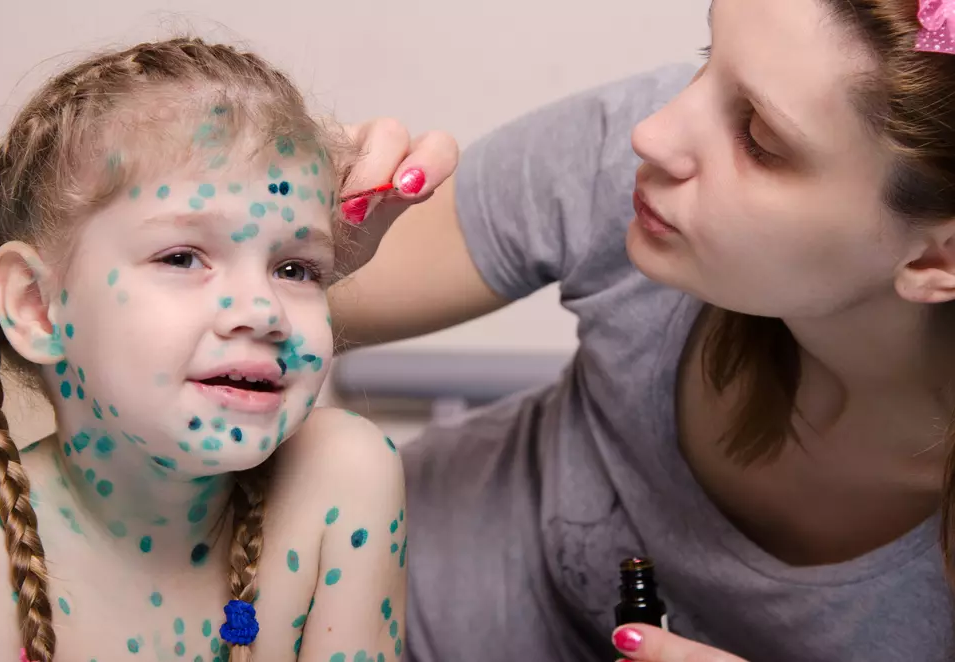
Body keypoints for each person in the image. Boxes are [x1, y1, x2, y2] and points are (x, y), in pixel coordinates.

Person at [331, 0, 955, 660]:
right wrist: (283, 223)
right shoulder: (641, 175)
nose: (653, 132)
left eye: (760, 140)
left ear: (933, 259)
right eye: (707, 58)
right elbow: (298, 293)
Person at [0, 37, 430, 662]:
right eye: (181, 257)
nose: (263, 311)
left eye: (295, 268)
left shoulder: (341, 481)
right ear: (39, 306)